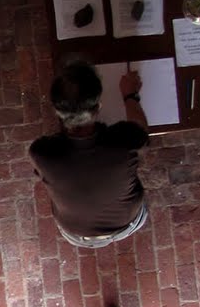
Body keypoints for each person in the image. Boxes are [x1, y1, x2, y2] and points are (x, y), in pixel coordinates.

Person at [30, 60, 148, 247]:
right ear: (98, 106)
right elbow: (141, 130)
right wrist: (130, 96)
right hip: (127, 224)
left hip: (75, 233)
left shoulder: (42, 153)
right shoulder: (125, 142)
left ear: (57, 111)